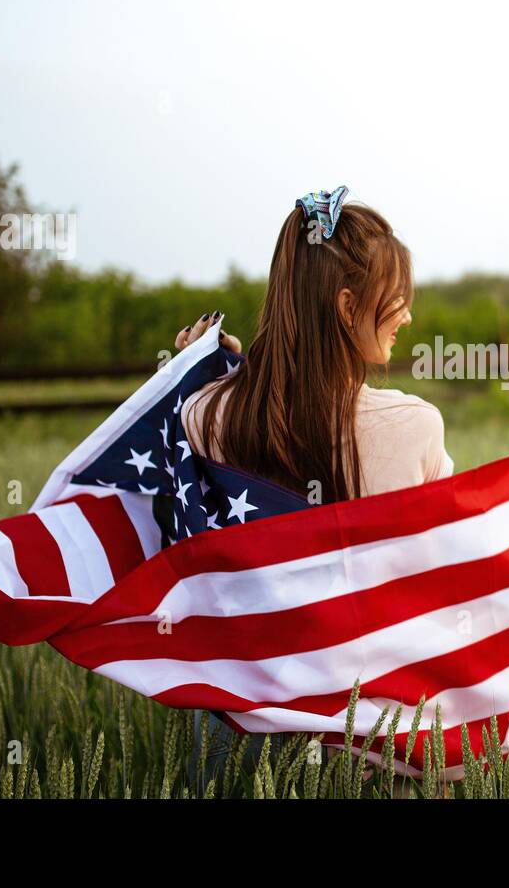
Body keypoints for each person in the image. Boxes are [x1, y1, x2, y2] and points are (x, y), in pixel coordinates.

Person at [174, 187, 453, 794]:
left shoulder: (201, 416)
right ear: (348, 304)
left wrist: (194, 381)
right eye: (397, 297)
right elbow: (442, 585)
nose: (408, 314)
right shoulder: (413, 427)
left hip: (236, 728)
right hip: (370, 732)